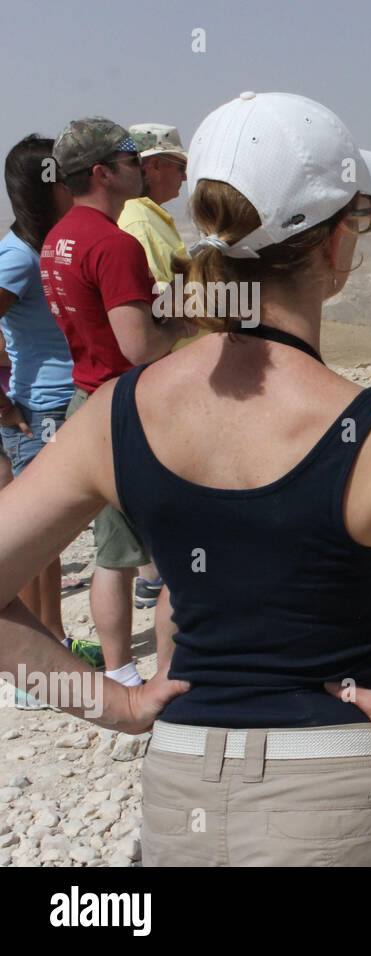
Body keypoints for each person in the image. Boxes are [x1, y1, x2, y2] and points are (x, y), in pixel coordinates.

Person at [0, 91, 371, 866]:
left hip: (184, 791)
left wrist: (112, 700)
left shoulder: (117, 417)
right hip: (343, 797)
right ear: (333, 247)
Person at [40, 117, 192, 688]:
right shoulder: (115, 244)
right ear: (103, 172)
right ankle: (173, 677)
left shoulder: (59, 238)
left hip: (89, 399)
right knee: (176, 553)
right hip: (131, 408)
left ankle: (120, 670)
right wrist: (181, 320)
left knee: (113, 553)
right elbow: (139, 344)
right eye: (133, 162)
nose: (142, 170)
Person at [0, 134, 103, 671]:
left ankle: (55, 645)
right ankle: (34, 668)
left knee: (53, 543)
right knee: (39, 544)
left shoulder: (50, 245)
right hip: (37, 410)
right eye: (66, 176)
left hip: (67, 403)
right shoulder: (15, 257)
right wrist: (4, 410)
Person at [118, 124, 192, 624]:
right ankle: (160, 578)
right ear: (152, 166)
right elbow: (155, 308)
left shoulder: (154, 219)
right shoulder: (139, 223)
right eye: (179, 166)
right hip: (165, 375)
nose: (186, 178)